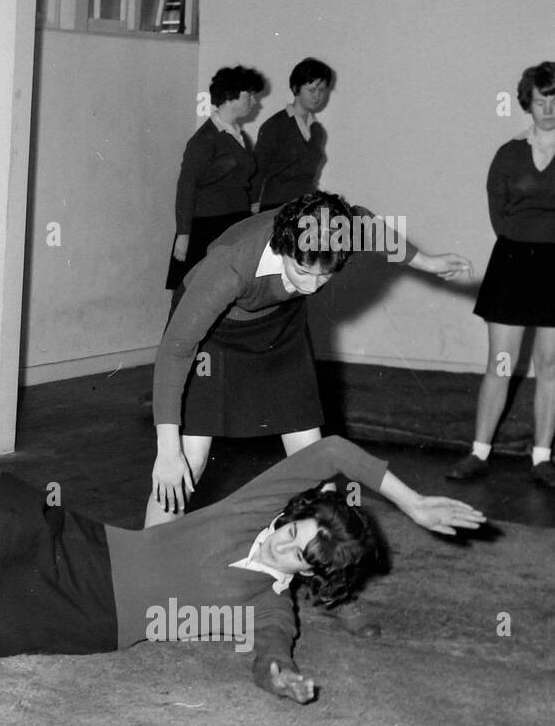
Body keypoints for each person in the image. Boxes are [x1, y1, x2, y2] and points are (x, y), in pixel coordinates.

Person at [0, 437, 485, 704]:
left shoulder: (268, 605)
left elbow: (268, 657)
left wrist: (277, 680)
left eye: (304, 556)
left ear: (313, 577)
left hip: (91, 622)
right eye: (301, 529)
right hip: (88, 549)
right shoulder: (253, 509)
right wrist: (412, 502)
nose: (288, 543)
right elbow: (330, 454)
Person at [149, 191, 474, 528]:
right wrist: (167, 452)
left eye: (325, 276)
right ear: (281, 246)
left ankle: (323, 560)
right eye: (302, 271)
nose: (311, 286)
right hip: (214, 336)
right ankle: (147, 560)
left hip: (277, 326)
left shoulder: (337, 231)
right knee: (190, 461)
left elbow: (372, 227)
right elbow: (176, 350)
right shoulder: (231, 262)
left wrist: (429, 262)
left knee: (311, 457)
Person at [447, 61, 555, 489]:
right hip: (513, 265)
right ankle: (478, 452)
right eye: (541, 98)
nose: (549, 106)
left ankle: (543, 458)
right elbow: (499, 215)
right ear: (527, 102)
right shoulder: (508, 153)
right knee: (502, 363)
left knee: (551, 365)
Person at [165, 65, 265, 293]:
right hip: (208, 226)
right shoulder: (204, 139)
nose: (254, 101)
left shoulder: (238, 135)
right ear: (230, 96)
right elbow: (186, 186)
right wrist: (183, 234)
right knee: (194, 294)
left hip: (235, 223)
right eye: (248, 95)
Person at [251, 57, 334, 212]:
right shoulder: (275, 125)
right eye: (311, 90)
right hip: (276, 208)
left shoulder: (317, 131)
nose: (317, 96)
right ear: (296, 88)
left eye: (322, 90)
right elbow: (258, 172)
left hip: (305, 208)